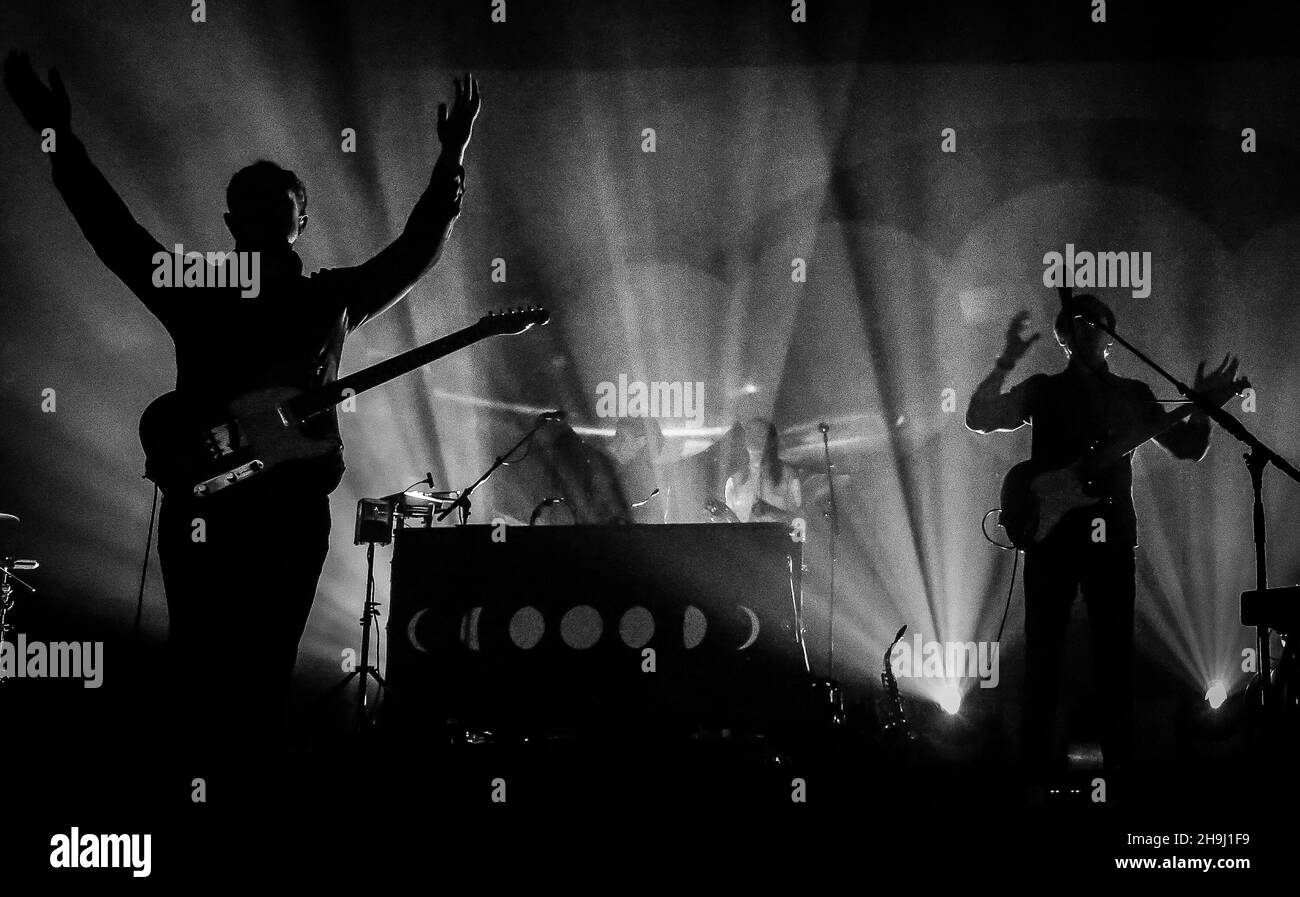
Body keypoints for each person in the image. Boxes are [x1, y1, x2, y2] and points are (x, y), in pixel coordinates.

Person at [4, 50, 481, 751]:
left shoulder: (324, 296)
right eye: (251, 206)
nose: (262, 216)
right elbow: (112, 233)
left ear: (301, 219)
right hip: (212, 506)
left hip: (279, 508)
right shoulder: (203, 289)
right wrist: (57, 139)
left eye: (276, 204)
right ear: (232, 221)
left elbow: (415, 251)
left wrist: (453, 159)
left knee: (258, 673)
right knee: (205, 669)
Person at [965, 292, 1240, 793]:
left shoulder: (1133, 392)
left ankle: (1121, 777)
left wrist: (1201, 410)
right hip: (1050, 538)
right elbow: (979, 417)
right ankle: (1033, 779)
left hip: (1111, 541)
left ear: (1112, 335)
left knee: (1115, 660)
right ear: (1064, 337)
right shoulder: (1045, 390)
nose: (1092, 332)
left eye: (1101, 325)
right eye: (1081, 325)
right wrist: (1006, 359)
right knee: (1043, 660)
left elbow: (1189, 448)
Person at [723, 418, 802, 524]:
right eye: (749, 432)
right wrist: (721, 513)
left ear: (772, 441)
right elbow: (731, 525)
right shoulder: (734, 480)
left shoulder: (788, 475)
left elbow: (799, 521)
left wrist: (771, 510)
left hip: (779, 538)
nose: (753, 438)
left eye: (760, 433)